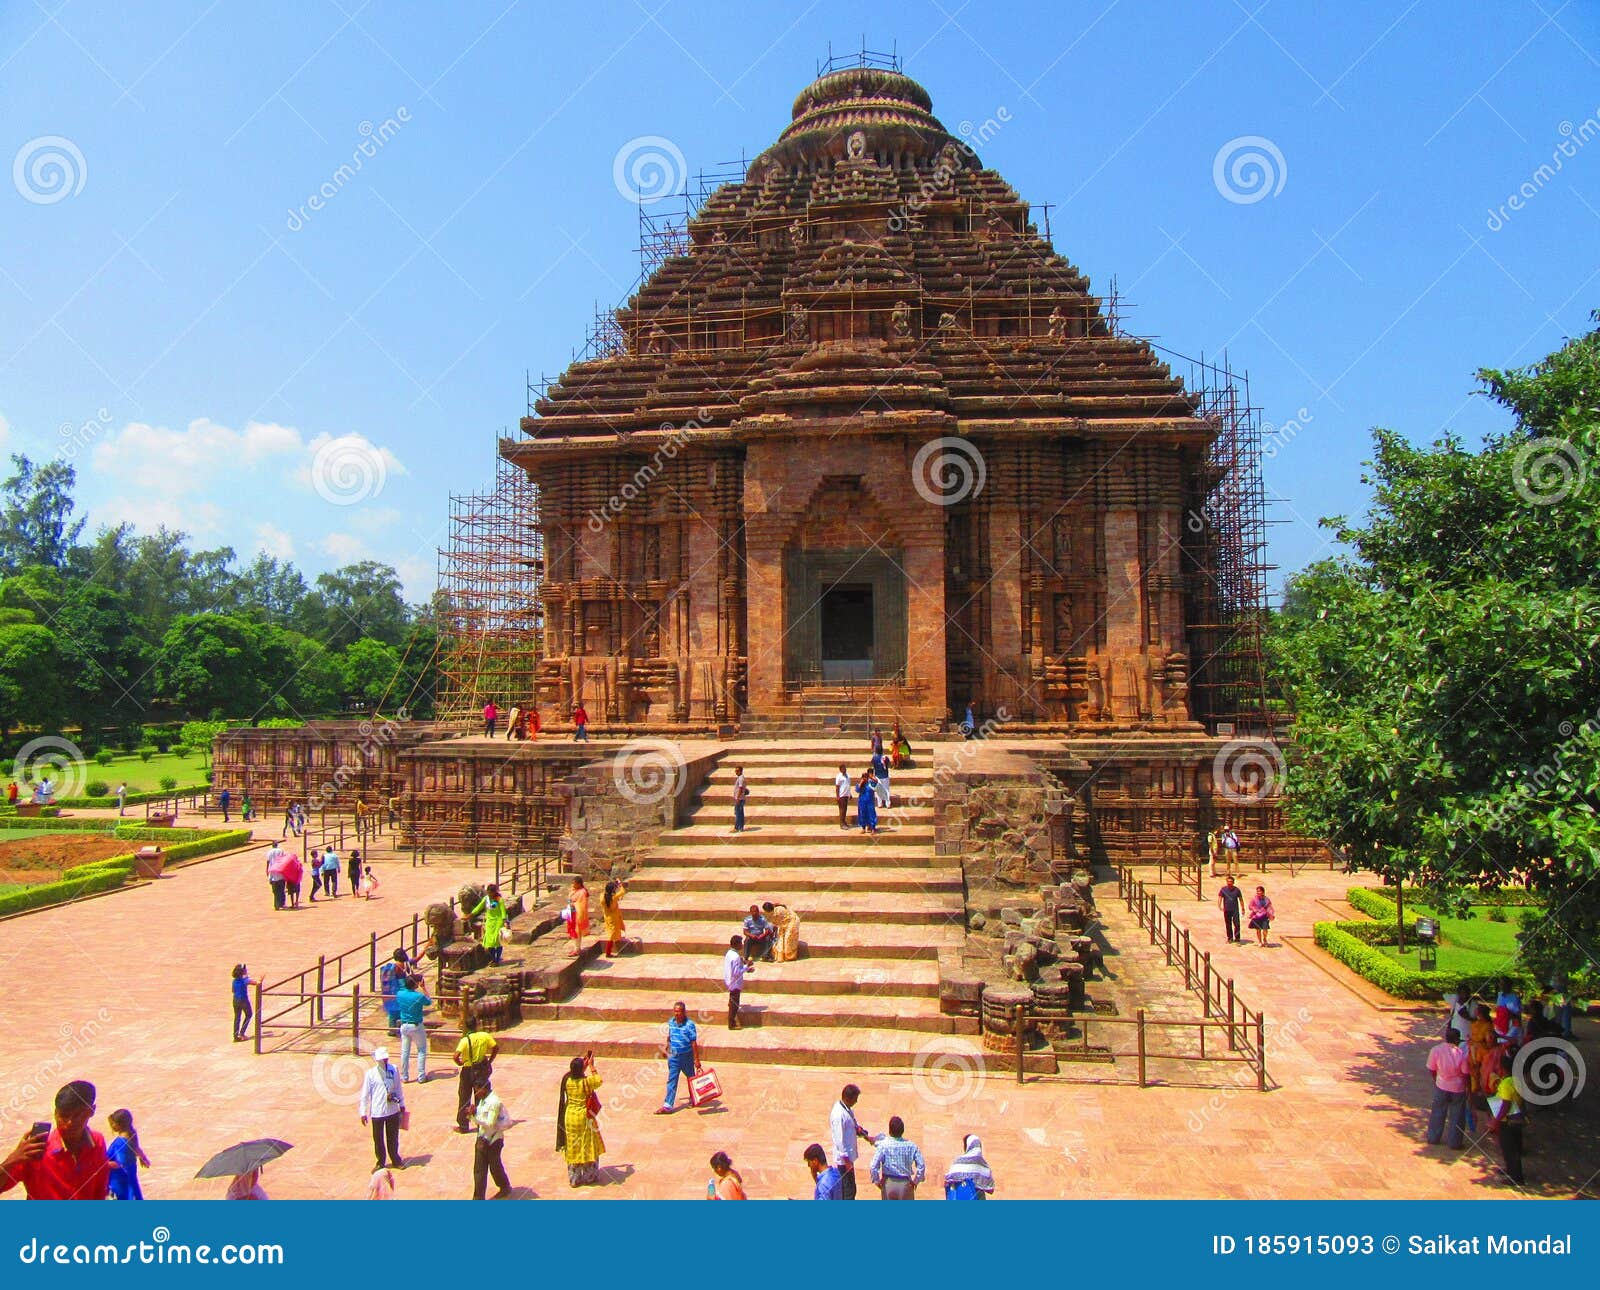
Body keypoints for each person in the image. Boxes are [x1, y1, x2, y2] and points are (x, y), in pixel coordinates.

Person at [0, 1080, 110, 1199]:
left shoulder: (98, 1141)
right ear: (55, 1113)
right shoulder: (35, 1149)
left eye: (77, 1115)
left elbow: (100, 1190)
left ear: (91, 1111)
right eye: (63, 1116)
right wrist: (10, 1161)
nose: (69, 1123)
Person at [556, 1054, 605, 1187]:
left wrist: (581, 1065)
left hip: (570, 1117)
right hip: (584, 1118)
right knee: (588, 1145)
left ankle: (574, 1178)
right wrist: (591, 1065)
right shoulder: (586, 1082)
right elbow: (599, 1080)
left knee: (573, 1146)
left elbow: (574, 1072)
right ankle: (590, 1176)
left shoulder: (567, 1080)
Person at [358, 1047, 406, 1171]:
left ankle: (395, 1159)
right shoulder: (371, 1074)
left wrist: (401, 1103)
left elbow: (398, 1088)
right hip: (377, 1111)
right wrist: (363, 1112)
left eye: (385, 1058)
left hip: (392, 1110)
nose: (384, 1061)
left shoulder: (393, 1070)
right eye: (382, 1059)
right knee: (378, 1139)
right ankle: (380, 1162)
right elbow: (365, 1094)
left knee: (393, 1137)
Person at [1425, 1027, 1470, 1148]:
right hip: (1458, 1088)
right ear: (1456, 1040)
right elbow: (1465, 1073)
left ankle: (1433, 1137)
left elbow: (1432, 1068)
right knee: (1457, 1116)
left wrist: (1436, 1080)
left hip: (1441, 1085)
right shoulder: (1461, 1054)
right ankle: (1454, 1143)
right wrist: (1467, 1089)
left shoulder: (1436, 1050)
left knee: (1437, 1113)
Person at [471, 1074, 513, 1199]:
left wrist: (473, 1117)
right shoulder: (482, 1100)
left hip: (494, 1140)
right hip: (482, 1139)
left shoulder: (494, 1102)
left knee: (495, 1167)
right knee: (479, 1170)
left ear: (484, 1088)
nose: (476, 1093)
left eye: (477, 1090)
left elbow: (490, 1123)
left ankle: (504, 1186)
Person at [454, 1016, 497, 1133]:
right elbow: (495, 1047)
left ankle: (463, 1126)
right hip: (481, 1070)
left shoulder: (465, 1040)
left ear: (466, 1027)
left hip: (467, 1070)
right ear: (476, 1025)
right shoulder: (485, 1036)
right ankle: (482, 1124)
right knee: (481, 1097)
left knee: (464, 1098)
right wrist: (490, 1060)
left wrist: (459, 1063)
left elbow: (455, 1056)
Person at [1489, 1047, 1526, 1185]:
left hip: (1507, 1120)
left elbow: (1505, 1104)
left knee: (1509, 1148)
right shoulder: (1516, 1080)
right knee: (1513, 1146)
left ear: (1503, 1069)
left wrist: (1495, 1121)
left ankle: (1516, 1177)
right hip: (1516, 1117)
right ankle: (1510, 1170)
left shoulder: (1505, 1084)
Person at [829, 1083, 873, 1200]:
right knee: (848, 1191)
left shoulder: (846, 1109)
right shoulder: (839, 1114)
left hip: (848, 1159)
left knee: (850, 1189)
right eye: (855, 1099)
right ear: (848, 1098)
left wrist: (862, 1133)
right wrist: (847, 1160)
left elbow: (852, 1125)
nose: (856, 1102)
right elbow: (839, 1140)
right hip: (844, 1161)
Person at [657, 1001, 701, 1113]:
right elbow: (670, 1037)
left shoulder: (690, 1025)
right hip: (674, 1057)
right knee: (672, 1079)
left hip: (686, 1057)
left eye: (679, 1012)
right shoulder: (671, 1023)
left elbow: (693, 1043)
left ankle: (695, 1098)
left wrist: (696, 1060)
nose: (677, 1014)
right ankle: (668, 1105)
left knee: (691, 1078)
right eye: (675, 1012)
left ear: (684, 1012)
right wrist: (666, 1048)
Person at [868, 1115, 925, 1199]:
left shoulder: (884, 1145)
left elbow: (873, 1166)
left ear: (890, 1130)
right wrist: (916, 1181)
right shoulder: (912, 1146)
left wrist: (876, 1181)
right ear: (902, 1130)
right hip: (905, 1184)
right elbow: (921, 1165)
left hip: (888, 1183)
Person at [395, 975, 432, 1083]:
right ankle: (421, 1077)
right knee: (421, 1050)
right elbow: (429, 1001)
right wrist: (424, 988)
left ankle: (404, 1077)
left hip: (404, 1025)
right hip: (416, 1025)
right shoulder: (418, 996)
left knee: (405, 1051)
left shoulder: (400, 994)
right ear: (415, 984)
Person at [105, 1109, 149, 1200]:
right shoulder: (131, 1134)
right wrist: (143, 1158)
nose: (111, 1125)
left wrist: (102, 1164)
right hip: (130, 1175)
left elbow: (121, 1164)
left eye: (113, 1123)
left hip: (120, 1179)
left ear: (119, 1125)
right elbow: (136, 1148)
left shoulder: (120, 1143)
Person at [944, 1133, 995, 1199]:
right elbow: (990, 1188)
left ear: (967, 1146)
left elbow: (950, 1182)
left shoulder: (958, 1162)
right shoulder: (984, 1166)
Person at [380, 948, 416, 1036]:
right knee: (404, 1012)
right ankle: (404, 1030)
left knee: (393, 1013)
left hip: (393, 992)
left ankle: (392, 1030)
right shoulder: (406, 965)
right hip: (405, 991)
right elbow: (417, 958)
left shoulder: (393, 967)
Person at [471, 884, 508, 966]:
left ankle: (497, 960)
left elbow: (503, 911)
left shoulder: (499, 900)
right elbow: (478, 908)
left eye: (491, 893)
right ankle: (493, 959)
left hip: (498, 922)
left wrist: (504, 921)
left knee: (498, 941)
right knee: (489, 943)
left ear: (495, 892)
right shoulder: (486, 899)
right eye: (489, 893)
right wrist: (470, 914)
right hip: (489, 923)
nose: (490, 894)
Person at [724, 934, 749, 1029]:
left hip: (729, 981)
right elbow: (736, 972)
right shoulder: (735, 957)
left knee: (732, 999)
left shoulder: (729, 953)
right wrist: (746, 968)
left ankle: (731, 1004)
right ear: (737, 944)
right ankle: (732, 1023)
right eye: (741, 943)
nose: (742, 945)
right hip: (734, 983)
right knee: (735, 1004)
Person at [602, 879, 629, 956]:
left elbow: (606, 892)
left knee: (612, 931)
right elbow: (623, 891)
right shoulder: (614, 897)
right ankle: (608, 952)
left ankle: (617, 940)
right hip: (613, 917)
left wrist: (614, 885)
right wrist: (620, 884)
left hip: (607, 917)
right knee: (612, 934)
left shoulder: (602, 897)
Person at [565, 877, 589, 958]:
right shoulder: (573, 890)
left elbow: (581, 904)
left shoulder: (582, 892)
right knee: (572, 930)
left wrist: (573, 904)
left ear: (579, 884)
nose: (573, 885)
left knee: (577, 931)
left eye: (574, 883)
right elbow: (569, 899)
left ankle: (577, 949)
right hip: (571, 912)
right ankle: (575, 947)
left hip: (577, 913)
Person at [1217, 875, 1244, 944]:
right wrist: (1219, 905)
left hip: (1235, 909)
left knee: (1237, 924)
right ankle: (1230, 938)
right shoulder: (1223, 889)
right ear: (1226, 882)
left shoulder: (1237, 890)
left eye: (1231, 881)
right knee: (1228, 924)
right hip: (1227, 909)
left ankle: (1237, 938)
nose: (1229, 883)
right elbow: (1220, 897)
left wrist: (1243, 908)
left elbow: (1240, 899)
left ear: (1233, 882)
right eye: (1228, 881)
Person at [231, 963, 253, 1042]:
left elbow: (233, 990)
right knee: (249, 1014)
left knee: (237, 1017)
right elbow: (256, 983)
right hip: (243, 1000)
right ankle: (242, 1033)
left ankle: (235, 1035)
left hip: (235, 1000)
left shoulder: (234, 981)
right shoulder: (245, 980)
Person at [266, 846, 289, 911]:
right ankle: (281, 903)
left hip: (272, 873)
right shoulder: (280, 850)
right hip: (280, 872)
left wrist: (267, 871)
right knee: (281, 890)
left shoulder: (269, 852)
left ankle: (276, 905)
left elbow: (268, 862)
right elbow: (284, 860)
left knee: (275, 891)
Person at [856, 769, 879, 834]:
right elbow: (857, 790)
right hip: (862, 802)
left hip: (870, 801)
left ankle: (873, 828)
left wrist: (871, 777)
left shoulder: (871, 783)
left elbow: (876, 782)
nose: (865, 778)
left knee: (871, 814)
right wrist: (861, 782)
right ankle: (863, 828)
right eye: (863, 777)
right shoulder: (860, 784)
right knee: (862, 814)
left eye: (866, 777)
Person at [834, 763, 852, 829]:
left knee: (845, 809)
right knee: (842, 809)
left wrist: (850, 794)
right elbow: (837, 787)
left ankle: (844, 822)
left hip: (846, 794)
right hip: (841, 795)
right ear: (840, 770)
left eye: (845, 768)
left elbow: (848, 785)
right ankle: (842, 823)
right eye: (843, 769)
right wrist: (837, 796)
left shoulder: (848, 776)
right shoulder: (839, 776)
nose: (845, 769)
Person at [731, 765, 748, 833]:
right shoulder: (740, 778)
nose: (736, 772)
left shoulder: (741, 778)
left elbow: (740, 788)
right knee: (740, 813)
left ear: (741, 771)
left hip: (740, 799)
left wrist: (737, 798)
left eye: (737, 771)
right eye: (735, 770)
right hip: (741, 798)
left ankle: (737, 828)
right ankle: (741, 827)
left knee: (738, 813)